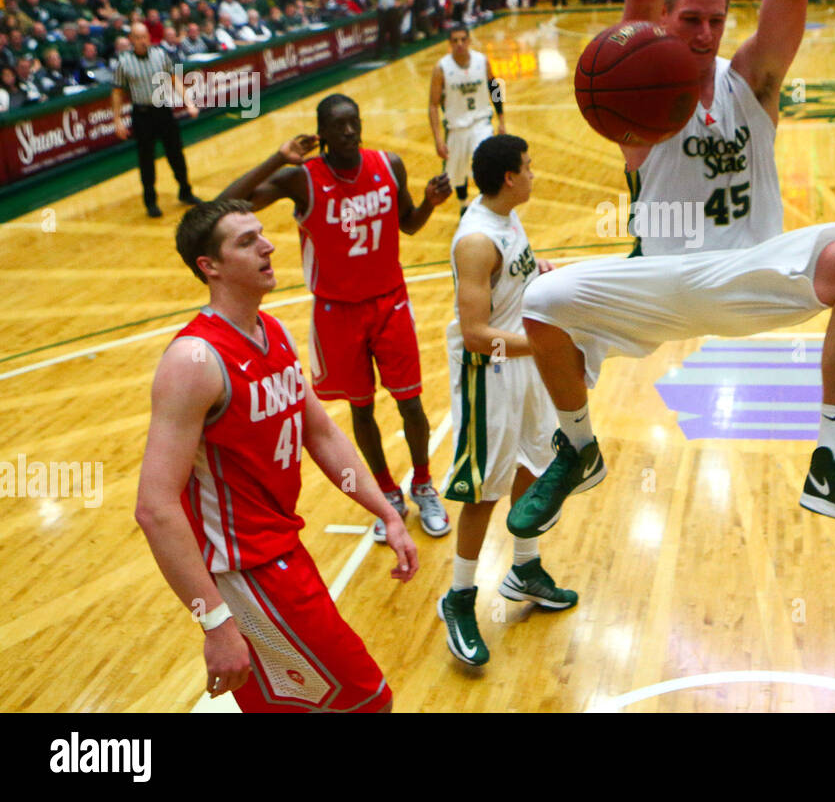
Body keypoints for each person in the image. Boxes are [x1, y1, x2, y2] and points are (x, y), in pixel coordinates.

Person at [508, 0, 835, 546]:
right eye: (688, 17)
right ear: (663, 21)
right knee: (538, 302)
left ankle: (833, 462)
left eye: (716, 19)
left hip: (754, 269)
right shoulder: (641, 95)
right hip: (661, 277)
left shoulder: (750, 80)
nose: (703, 32)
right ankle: (578, 447)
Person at [136, 199, 417, 712]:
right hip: (246, 573)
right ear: (210, 266)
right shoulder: (194, 361)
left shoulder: (276, 334)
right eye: (246, 241)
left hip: (282, 551)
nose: (268, 246)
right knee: (369, 702)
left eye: (262, 234)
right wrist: (215, 621)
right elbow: (155, 508)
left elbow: (323, 436)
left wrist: (385, 511)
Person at [218, 95, 455, 544]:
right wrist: (278, 159)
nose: (349, 131)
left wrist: (429, 204)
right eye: (338, 125)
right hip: (337, 311)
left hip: (390, 302)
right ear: (321, 134)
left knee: (411, 402)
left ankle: (423, 484)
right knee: (360, 407)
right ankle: (387, 494)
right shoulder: (301, 179)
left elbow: (408, 225)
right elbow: (222, 208)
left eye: (355, 122)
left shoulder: (389, 164)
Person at [436, 135, 577, 666]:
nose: (534, 172)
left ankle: (525, 568)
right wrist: (546, 345)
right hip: (488, 371)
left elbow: (515, 276)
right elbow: (475, 333)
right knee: (484, 487)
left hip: (521, 361)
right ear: (510, 178)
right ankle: (460, 595)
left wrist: (548, 273)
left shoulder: (507, 216)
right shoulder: (475, 240)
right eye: (529, 166)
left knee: (535, 465)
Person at [111, 21, 200, 217]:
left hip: (163, 110)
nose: (143, 41)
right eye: (138, 38)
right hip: (142, 114)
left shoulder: (160, 55)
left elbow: (174, 79)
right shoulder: (123, 63)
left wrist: (188, 102)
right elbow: (117, 92)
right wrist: (117, 120)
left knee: (176, 153)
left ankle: (185, 190)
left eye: (145, 37)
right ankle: (150, 202)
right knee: (146, 160)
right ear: (131, 40)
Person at [429, 23, 506, 216]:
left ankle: (487, 205)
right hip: (456, 127)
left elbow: (494, 88)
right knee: (457, 172)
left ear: (469, 41)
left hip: (481, 123)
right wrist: (438, 139)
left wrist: (502, 120)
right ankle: (464, 205)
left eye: (463, 39)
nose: (460, 44)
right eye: (455, 40)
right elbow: (433, 104)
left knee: (486, 163)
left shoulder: (482, 61)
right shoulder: (441, 68)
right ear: (450, 43)